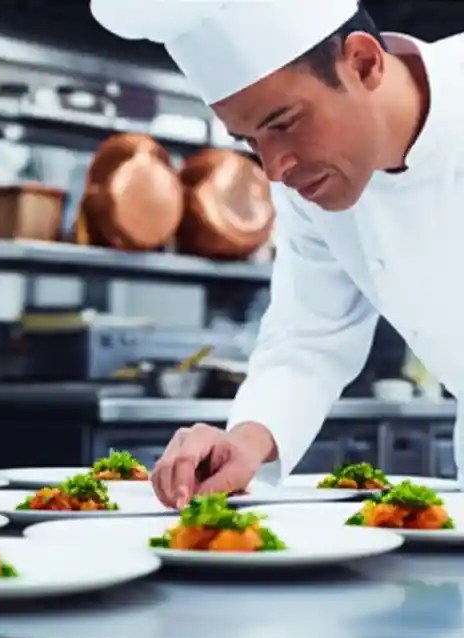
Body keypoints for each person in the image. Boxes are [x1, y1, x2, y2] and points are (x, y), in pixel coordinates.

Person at [90, 0, 464, 506]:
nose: (273, 169)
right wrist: (245, 441)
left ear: (362, 63)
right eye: (250, 142)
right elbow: (309, 337)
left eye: (284, 122)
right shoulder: (311, 181)